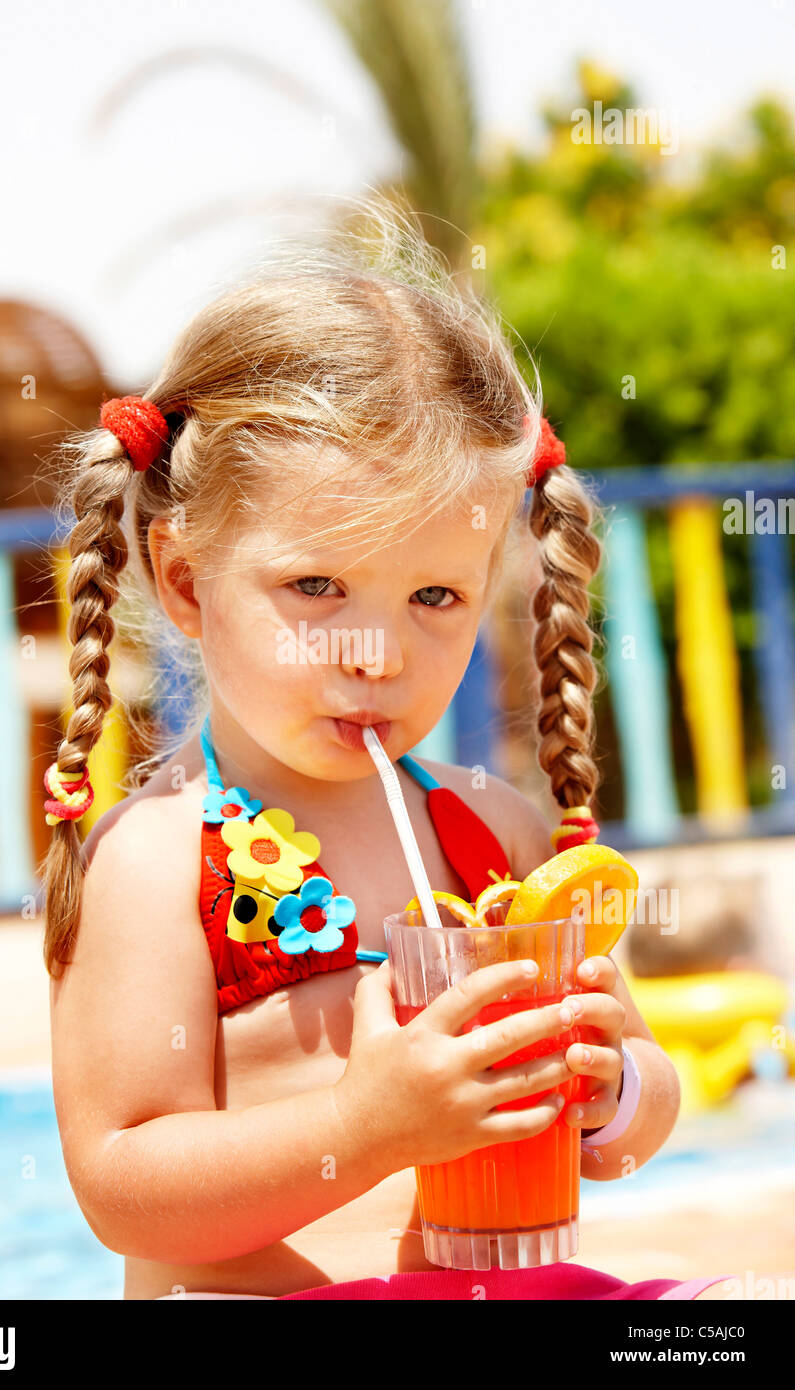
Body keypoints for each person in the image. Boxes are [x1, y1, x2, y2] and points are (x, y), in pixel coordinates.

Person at [40, 198, 757, 1301]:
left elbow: (624, 1132)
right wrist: (363, 1126)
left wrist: (617, 1086)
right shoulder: (160, 861)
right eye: (316, 587)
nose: (376, 650)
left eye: (434, 596)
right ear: (185, 581)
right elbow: (119, 1182)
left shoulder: (496, 837)